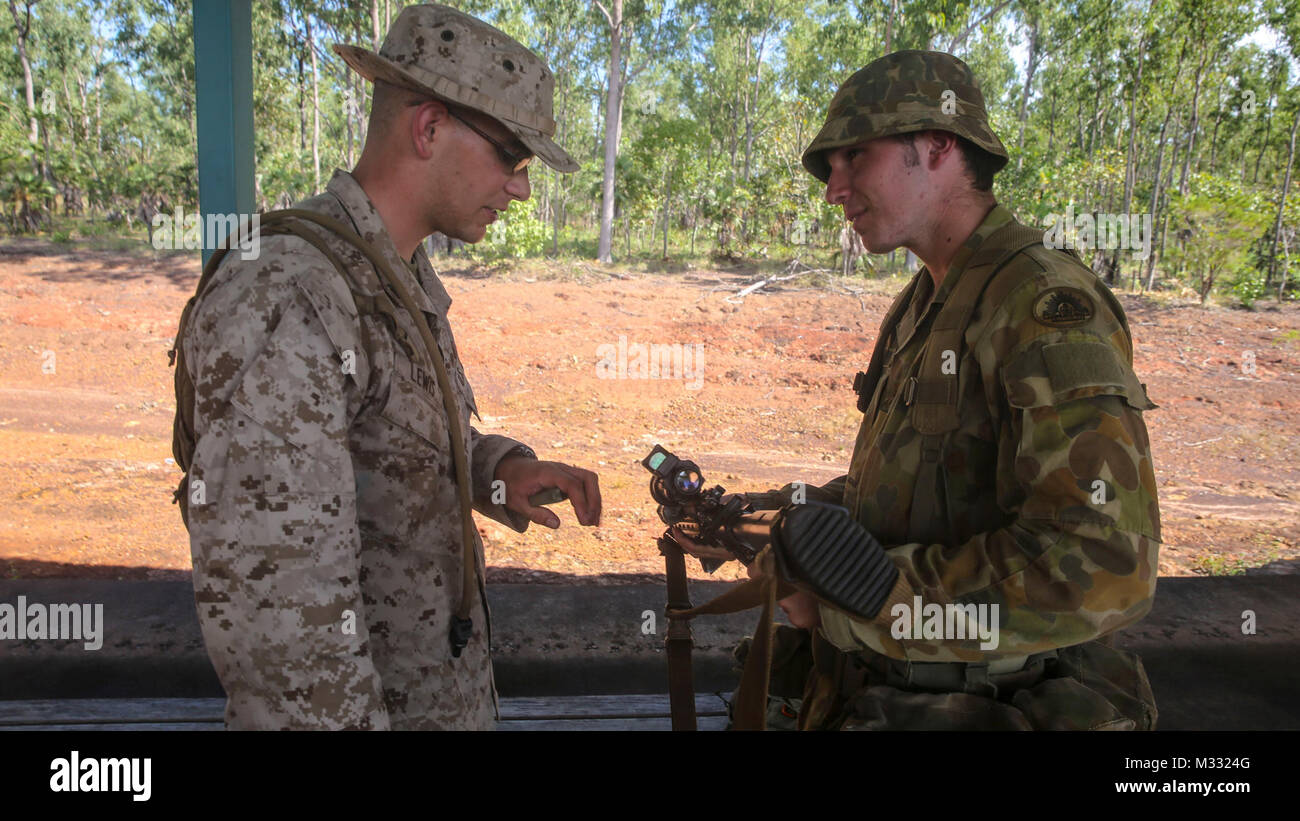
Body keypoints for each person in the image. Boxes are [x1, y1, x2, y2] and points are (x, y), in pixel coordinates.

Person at [674, 50, 1161, 730]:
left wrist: (862, 602)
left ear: (937, 145)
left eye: (854, 158)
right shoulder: (927, 299)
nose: (833, 188)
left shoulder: (1041, 301)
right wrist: (779, 516)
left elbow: (1102, 562)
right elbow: (917, 494)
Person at [181, 4, 600, 730]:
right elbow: (284, 629)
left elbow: (383, 443)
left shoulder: (386, 272)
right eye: (512, 156)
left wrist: (492, 469)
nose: (523, 187)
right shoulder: (292, 291)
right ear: (429, 128)